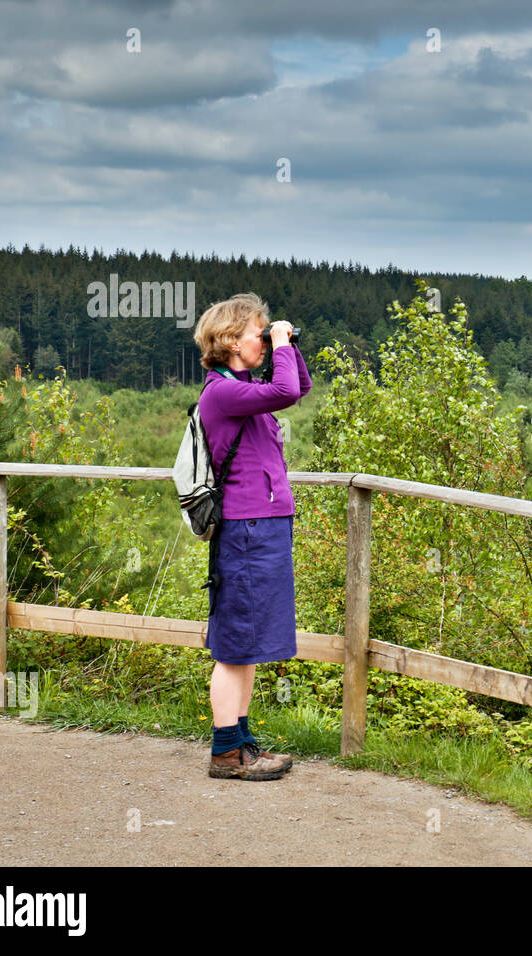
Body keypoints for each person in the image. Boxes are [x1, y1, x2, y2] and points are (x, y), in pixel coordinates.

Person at [192, 292, 311, 780]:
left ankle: (243, 743)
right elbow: (284, 391)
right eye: (256, 335)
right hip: (246, 530)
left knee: (253, 643)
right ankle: (226, 752)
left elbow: (295, 386)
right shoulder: (221, 392)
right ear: (229, 341)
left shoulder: (243, 389)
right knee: (237, 643)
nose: (264, 342)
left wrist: (287, 345)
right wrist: (279, 344)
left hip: (263, 528)